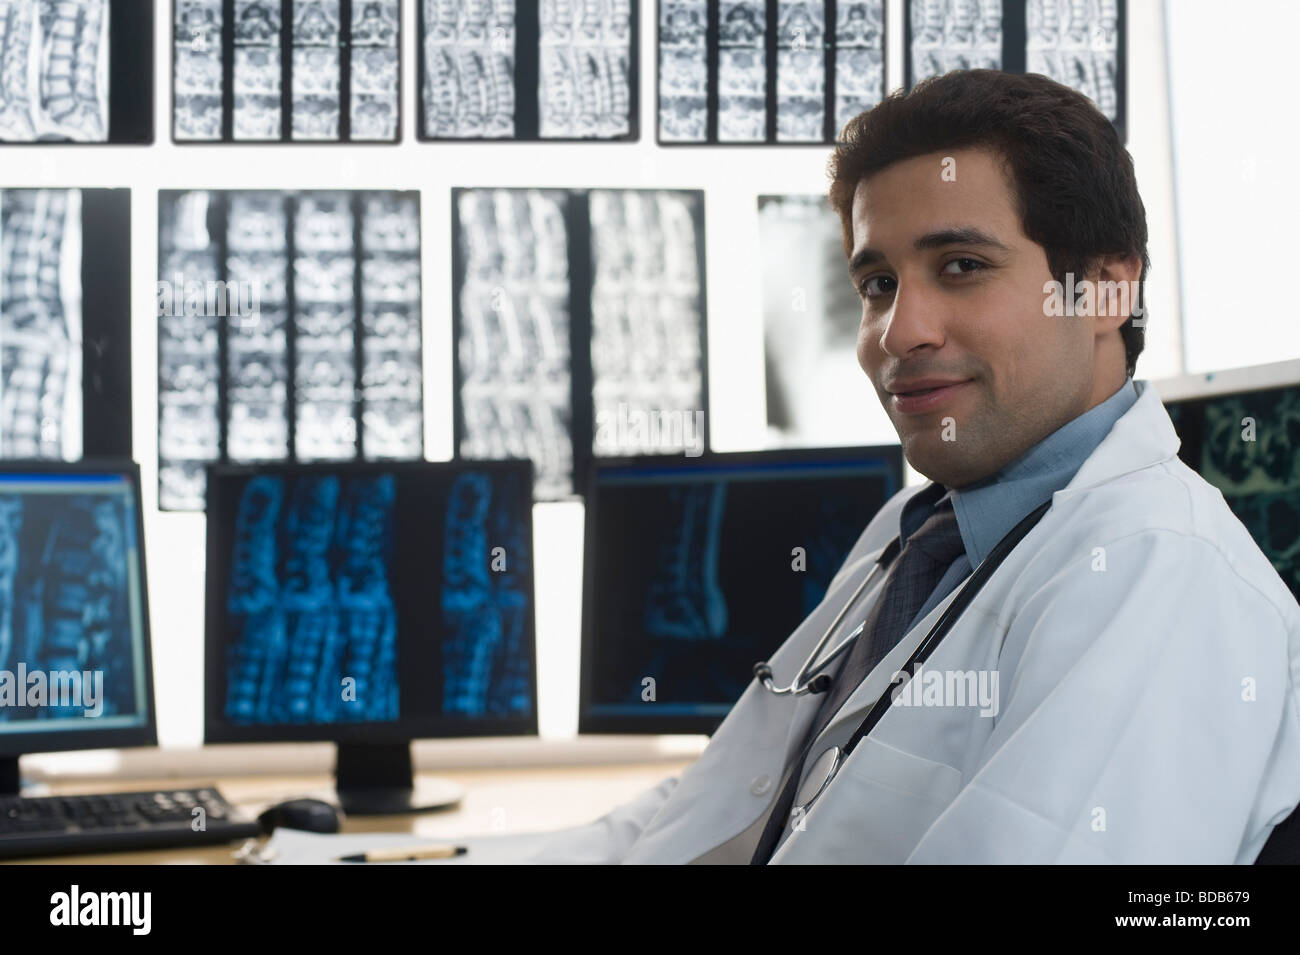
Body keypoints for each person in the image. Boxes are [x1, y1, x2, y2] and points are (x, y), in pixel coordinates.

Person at [523, 69, 1300, 863]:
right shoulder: (916, 536)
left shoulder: (1158, 572)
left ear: (1104, 289)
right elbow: (716, 809)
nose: (899, 330)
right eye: (878, 283)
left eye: (961, 264)